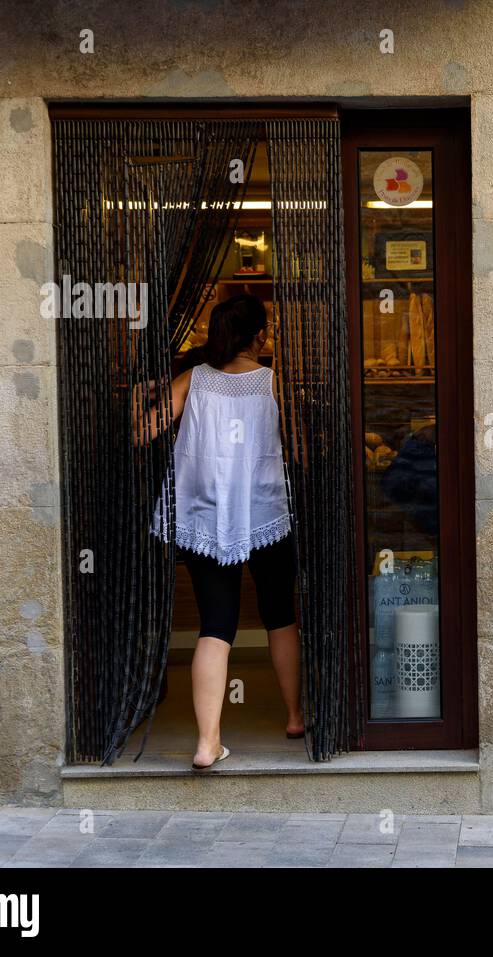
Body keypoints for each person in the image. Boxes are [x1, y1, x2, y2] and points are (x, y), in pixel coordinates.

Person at [134, 294, 303, 770]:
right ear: (259, 335)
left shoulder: (194, 380)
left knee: (215, 626)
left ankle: (207, 743)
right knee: (279, 614)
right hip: (266, 511)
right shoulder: (273, 384)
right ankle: (294, 716)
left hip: (206, 515)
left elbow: (142, 433)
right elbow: (302, 446)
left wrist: (138, 396)